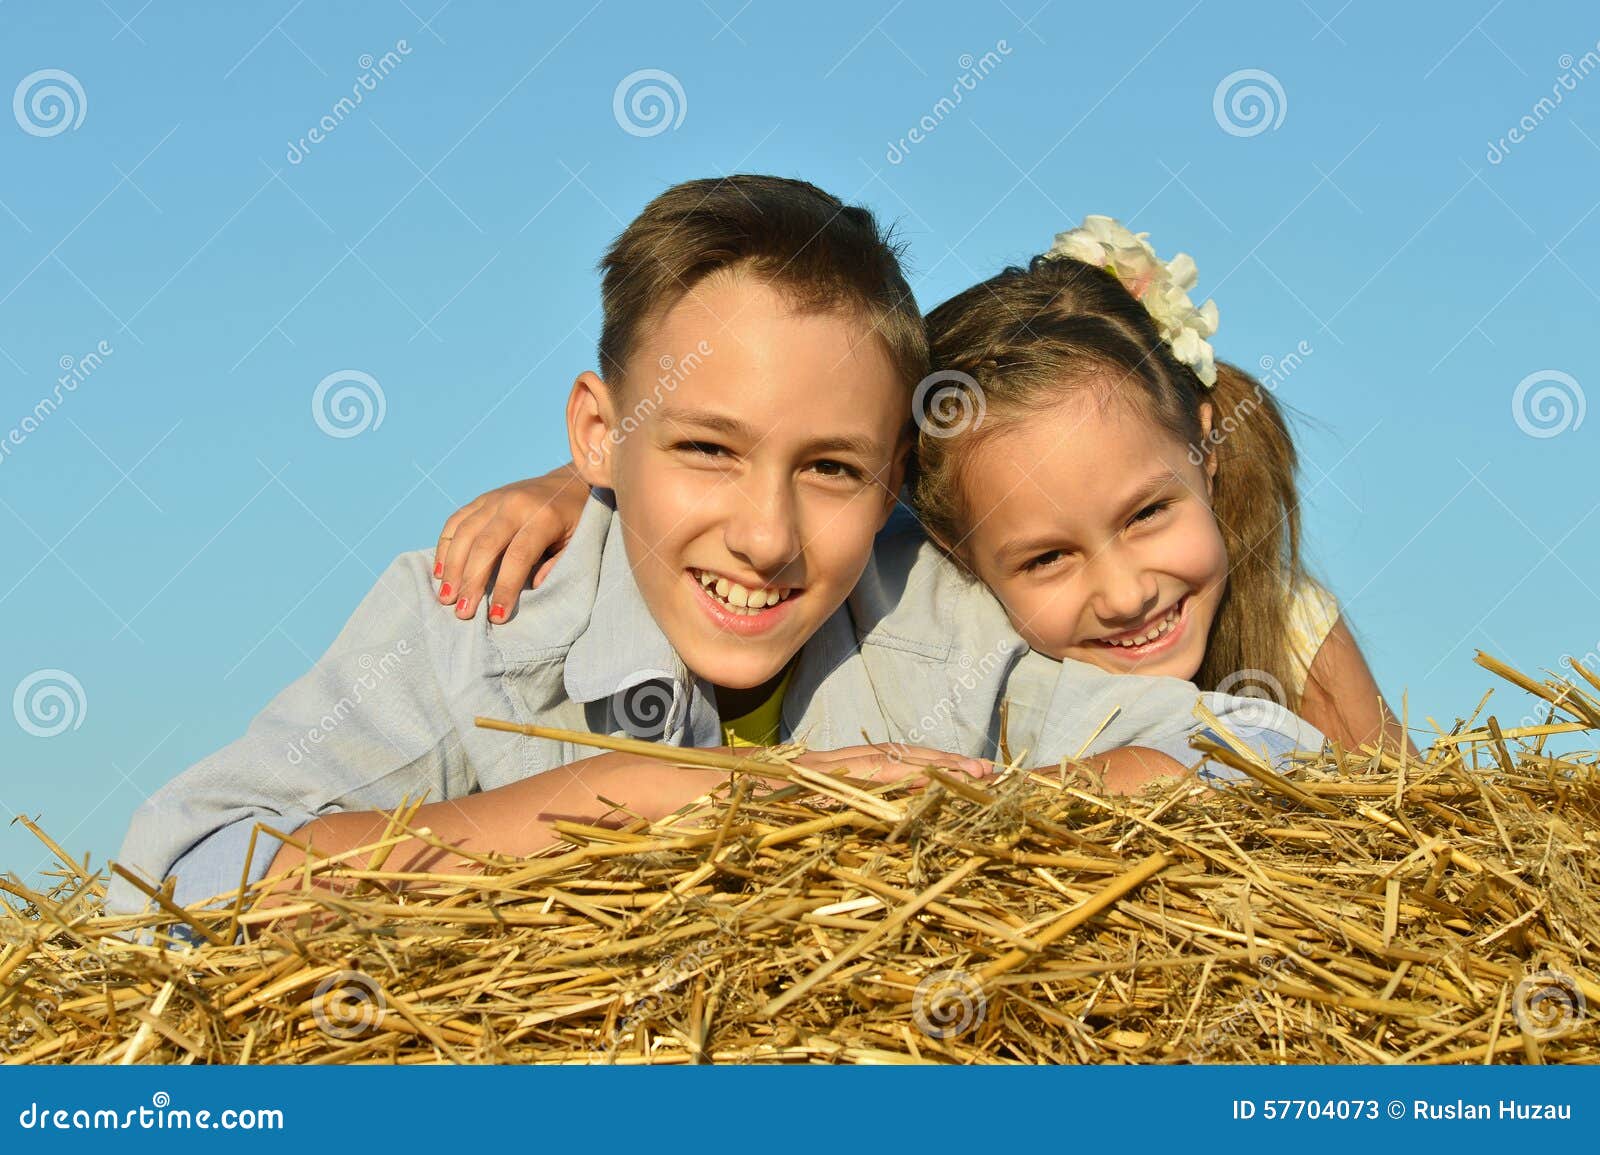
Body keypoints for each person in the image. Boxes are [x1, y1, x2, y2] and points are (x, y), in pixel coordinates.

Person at [106, 184, 1250, 941]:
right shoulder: (473, 624)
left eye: (831, 471)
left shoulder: (933, 619)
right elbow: (183, 881)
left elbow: (1248, 761)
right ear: (599, 435)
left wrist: (984, 808)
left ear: (896, 479)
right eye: (709, 449)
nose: (765, 536)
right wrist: (656, 797)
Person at [431, 216, 1405, 759]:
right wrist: (588, 484)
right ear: (949, 544)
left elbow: (1401, 837)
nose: (1124, 592)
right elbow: (814, 474)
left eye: (1146, 514)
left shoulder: (1289, 627)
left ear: (1205, 445)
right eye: (1048, 557)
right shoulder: (940, 625)